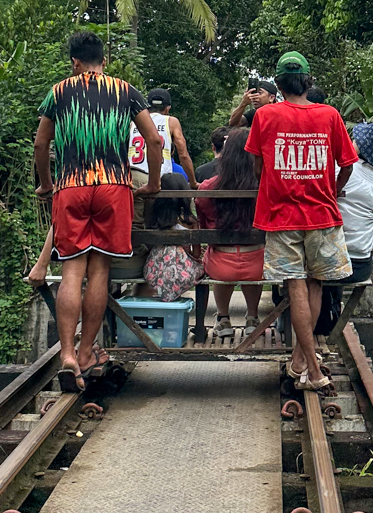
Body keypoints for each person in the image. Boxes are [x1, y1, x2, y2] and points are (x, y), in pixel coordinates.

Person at [33, 30, 162, 390]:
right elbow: (153, 139)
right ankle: (88, 350)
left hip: (70, 187)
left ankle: (68, 355)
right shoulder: (125, 91)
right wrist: (152, 183)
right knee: (100, 270)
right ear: (103, 61)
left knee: (72, 271)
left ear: (74, 63)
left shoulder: (59, 92)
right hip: (113, 186)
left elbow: (42, 143)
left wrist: (46, 183)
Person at [244, 52, 359, 390]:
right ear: (308, 81)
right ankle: (308, 365)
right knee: (315, 284)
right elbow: (347, 165)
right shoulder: (330, 115)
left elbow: (257, 167)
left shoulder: (265, 116)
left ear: (277, 84)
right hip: (322, 214)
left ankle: (308, 368)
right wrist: (331, 192)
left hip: (281, 217)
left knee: (295, 288)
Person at [316, 119, 373, 336]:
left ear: (360, 147)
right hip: (360, 266)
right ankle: (331, 310)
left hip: (330, 264)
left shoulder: (337, 171)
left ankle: (316, 317)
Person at [195, 126, 263, 338]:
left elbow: (203, 223)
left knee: (217, 255)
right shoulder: (264, 186)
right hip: (258, 264)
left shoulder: (208, 187)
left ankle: (223, 319)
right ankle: (252, 317)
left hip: (220, 265)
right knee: (252, 254)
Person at [138, 170, 204, 301]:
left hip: (153, 270)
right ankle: (199, 318)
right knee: (202, 270)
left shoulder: (153, 218)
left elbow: (149, 246)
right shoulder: (190, 221)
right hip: (183, 274)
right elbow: (196, 254)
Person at [130, 87, 196, 189]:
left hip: (133, 175)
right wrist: (193, 182)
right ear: (167, 108)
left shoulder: (133, 122)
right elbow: (183, 155)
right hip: (160, 179)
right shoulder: (171, 122)